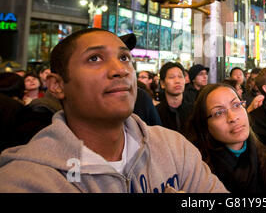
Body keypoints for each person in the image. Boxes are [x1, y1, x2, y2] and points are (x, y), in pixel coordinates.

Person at [0, 28, 227, 193]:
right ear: (57, 84)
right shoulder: (27, 179)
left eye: (124, 57)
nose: (120, 69)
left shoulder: (175, 149)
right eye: (95, 58)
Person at [186, 83, 266, 193]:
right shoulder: (199, 173)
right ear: (204, 124)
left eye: (236, 105)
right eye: (219, 113)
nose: (233, 118)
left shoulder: (261, 153)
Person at [156, 62, 193, 136]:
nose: (177, 81)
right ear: (163, 83)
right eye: (171, 77)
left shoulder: (194, 110)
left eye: (180, 76)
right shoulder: (156, 112)